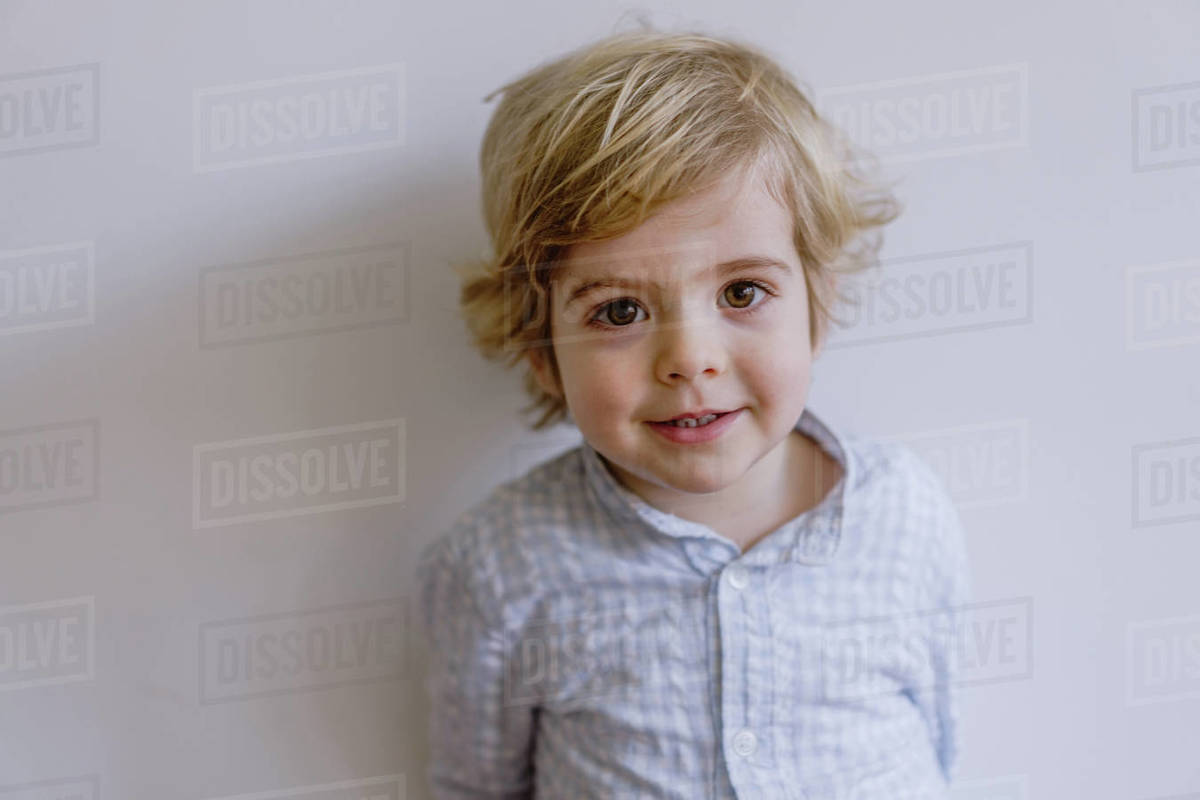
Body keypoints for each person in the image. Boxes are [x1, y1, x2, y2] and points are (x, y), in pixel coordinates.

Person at [416, 26, 972, 799]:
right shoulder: (500, 564)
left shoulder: (904, 512)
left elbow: (941, 747)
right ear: (540, 347)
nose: (690, 358)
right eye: (617, 311)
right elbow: (475, 787)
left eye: (742, 293)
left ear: (819, 301)